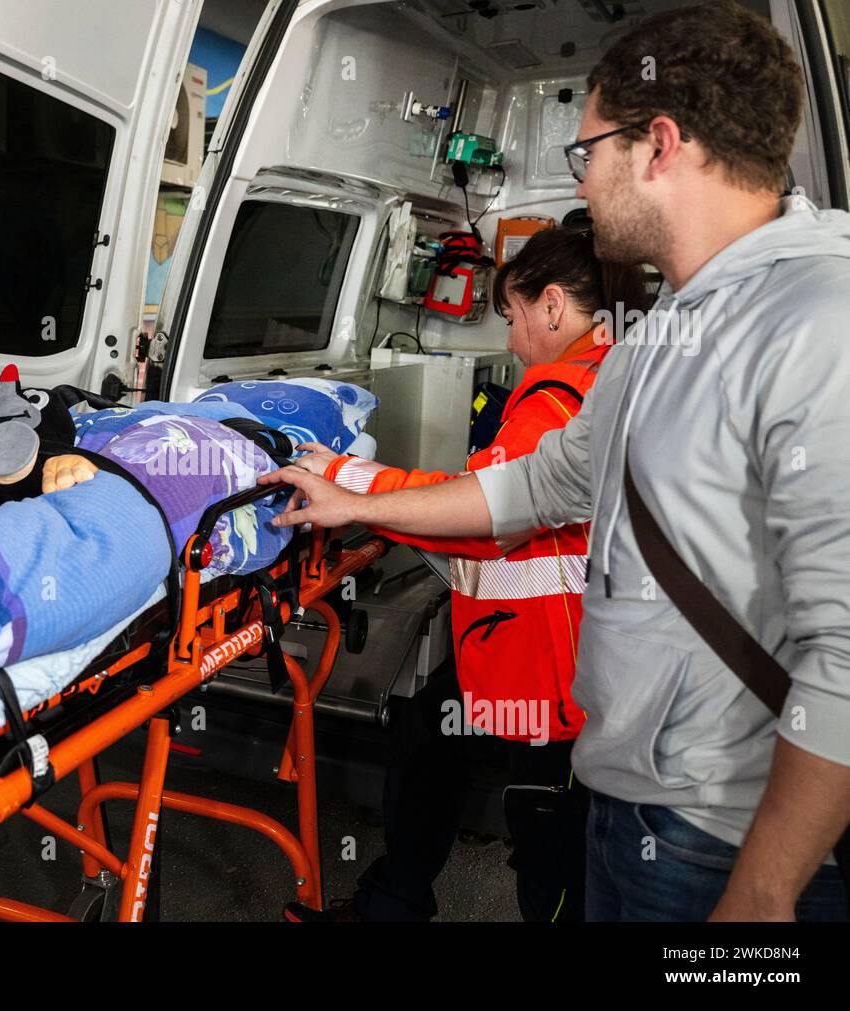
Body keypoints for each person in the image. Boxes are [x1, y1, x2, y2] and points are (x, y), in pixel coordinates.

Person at [263, 0, 850, 922]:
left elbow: (846, 650)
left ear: (657, 145)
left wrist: (765, 893)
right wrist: (349, 500)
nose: (583, 181)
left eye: (588, 153)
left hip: (725, 844)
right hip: (630, 806)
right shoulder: (659, 340)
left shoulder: (820, 321)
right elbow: (534, 487)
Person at [285, 228, 652, 921]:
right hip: (543, 652)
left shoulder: (556, 401)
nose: (510, 342)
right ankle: (395, 899)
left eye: (511, 318)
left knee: (554, 863)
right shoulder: (614, 374)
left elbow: (483, 517)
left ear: (551, 307)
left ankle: (406, 900)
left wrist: (345, 484)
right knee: (429, 728)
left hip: (567, 681)